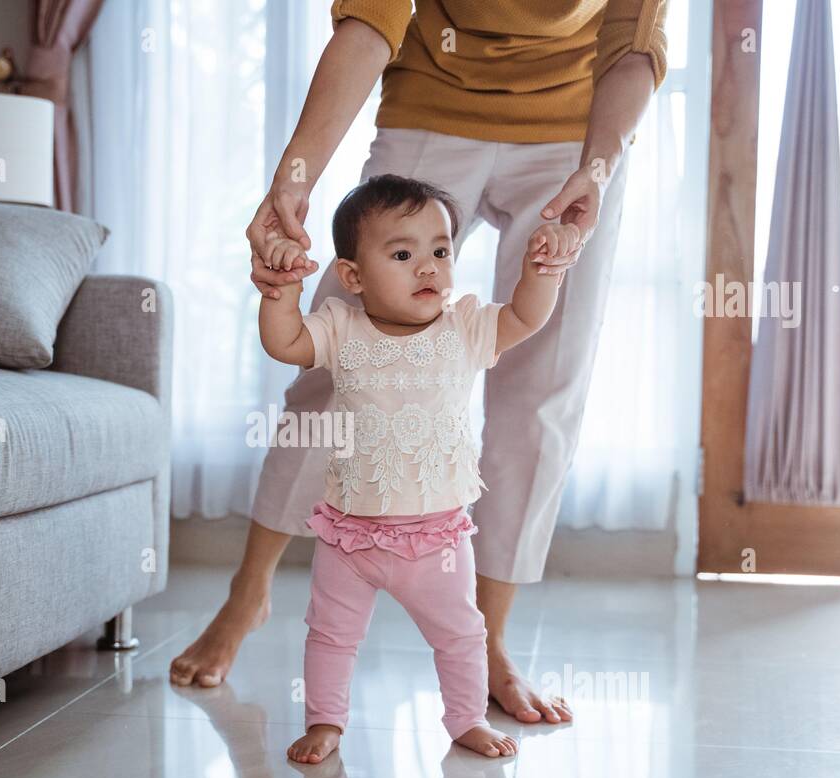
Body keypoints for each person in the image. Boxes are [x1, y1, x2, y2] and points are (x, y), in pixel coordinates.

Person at [171, 0, 668, 726]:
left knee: (544, 386)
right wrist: (294, 177)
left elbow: (634, 42)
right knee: (332, 371)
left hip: (577, 130)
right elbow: (371, 15)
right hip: (433, 103)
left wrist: (598, 167)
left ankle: (487, 640)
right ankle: (248, 595)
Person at [260, 174, 580, 760]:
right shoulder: (339, 326)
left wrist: (543, 271)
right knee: (330, 635)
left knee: (462, 635)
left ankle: (464, 719)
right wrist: (278, 291)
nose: (428, 267)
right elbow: (284, 344)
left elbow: (526, 319)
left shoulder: (465, 326)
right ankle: (325, 721)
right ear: (353, 276)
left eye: (440, 251)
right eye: (403, 254)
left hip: (437, 539)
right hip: (349, 536)